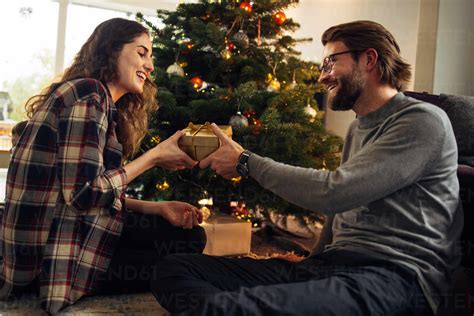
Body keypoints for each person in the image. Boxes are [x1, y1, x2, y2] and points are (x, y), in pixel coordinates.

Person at [150, 20, 462, 315]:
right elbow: (338, 212)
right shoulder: (359, 128)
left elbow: (336, 191)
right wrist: (311, 262)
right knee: (174, 268)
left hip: (394, 275)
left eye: (330, 63)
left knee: (234, 307)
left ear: (368, 59)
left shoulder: (422, 121)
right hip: (329, 267)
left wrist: (247, 161)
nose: (322, 77)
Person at [0, 18, 206, 314]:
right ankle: (60, 282)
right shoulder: (89, 94)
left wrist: (157, 208)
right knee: (185, 247)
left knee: (187, 237)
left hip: (67, 229)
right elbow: (84, 195)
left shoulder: (96, 100)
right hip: (50, 253)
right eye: (141, 52)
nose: (150, 66)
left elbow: (84, 189)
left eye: (151, 57)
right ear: (111, 50)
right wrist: (155, 157)